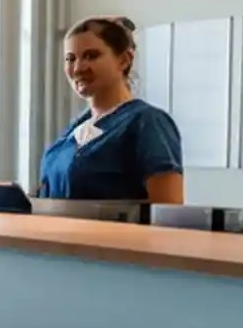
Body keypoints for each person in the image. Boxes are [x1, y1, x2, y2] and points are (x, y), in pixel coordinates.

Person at [38, 16, 184, 203]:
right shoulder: (76, 130)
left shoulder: (147, 122)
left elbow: (168, 211)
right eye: (70, 59)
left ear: (124, 60)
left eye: (91, 56)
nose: (78, 68)